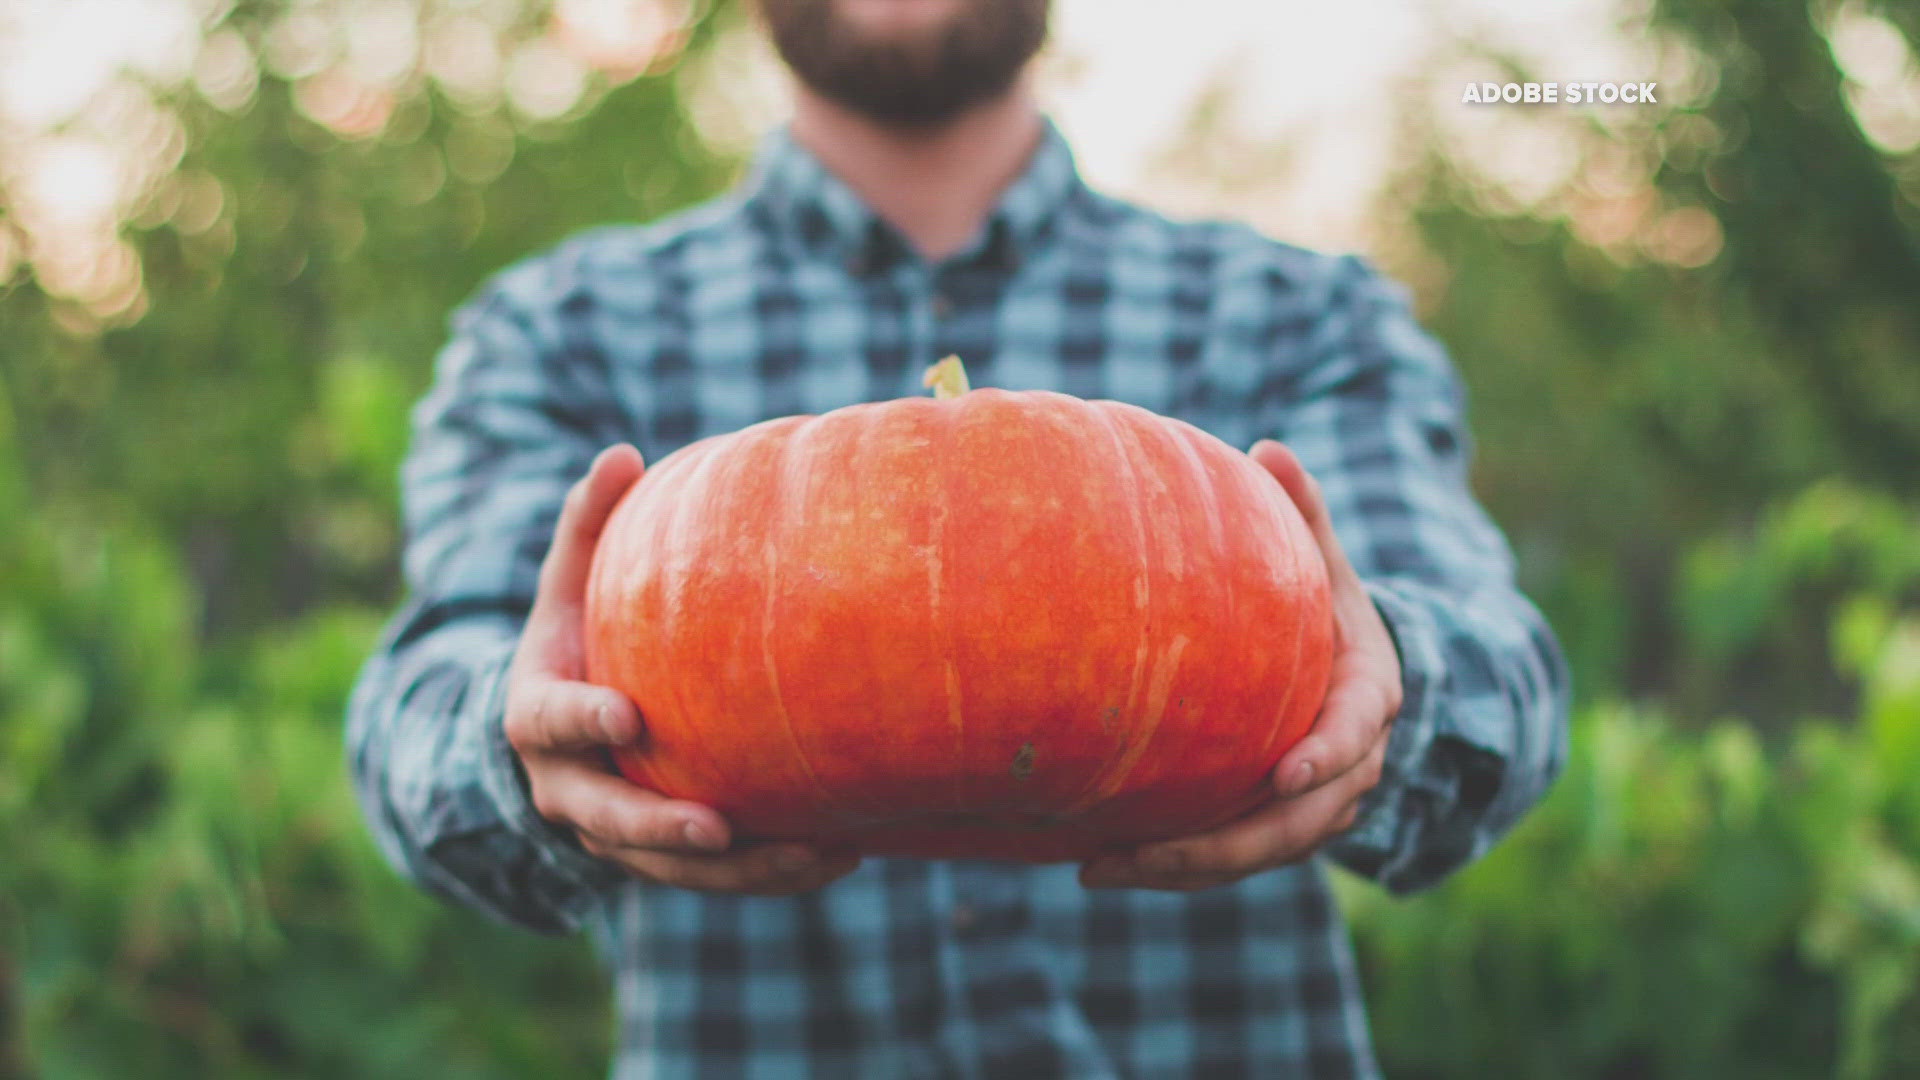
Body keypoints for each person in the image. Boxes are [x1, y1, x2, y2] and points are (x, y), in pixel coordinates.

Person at [347, 0, 1571, 1074]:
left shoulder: (1301, 317)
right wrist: (522, 744)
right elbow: (420, 707)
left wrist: (1382, 683)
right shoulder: (560, 333)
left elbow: (1505, 683)